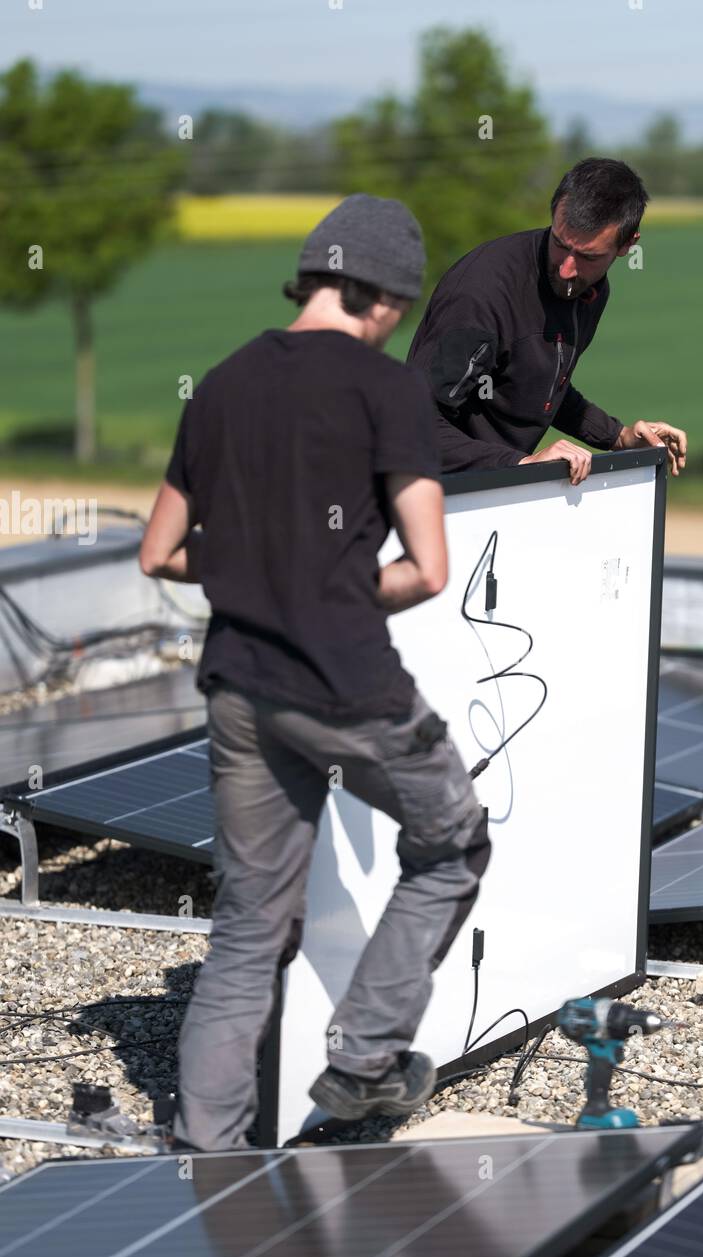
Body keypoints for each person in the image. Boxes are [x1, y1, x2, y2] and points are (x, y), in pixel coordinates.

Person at [139, 194, 491, 1151]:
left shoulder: (218, 383)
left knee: (249, 926)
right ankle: (365, 1060)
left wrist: (260, 573)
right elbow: (427, 568)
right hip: (344, 684)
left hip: (238, 686)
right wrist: (324, 589)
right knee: (453, 843)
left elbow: (160, 552)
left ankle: (203, 1154)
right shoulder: (385, 393)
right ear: (382, 297)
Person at [408, 157, 688, 485]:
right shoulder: (480, 295)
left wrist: (617, 436)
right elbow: (412, 423)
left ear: (627, 245)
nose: (567, 268)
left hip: (495, 488)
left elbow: (535, 381)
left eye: (588, 256)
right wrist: (522, 463)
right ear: (553, 213)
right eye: (559, 243)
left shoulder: (589, 289)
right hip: (432, 493)